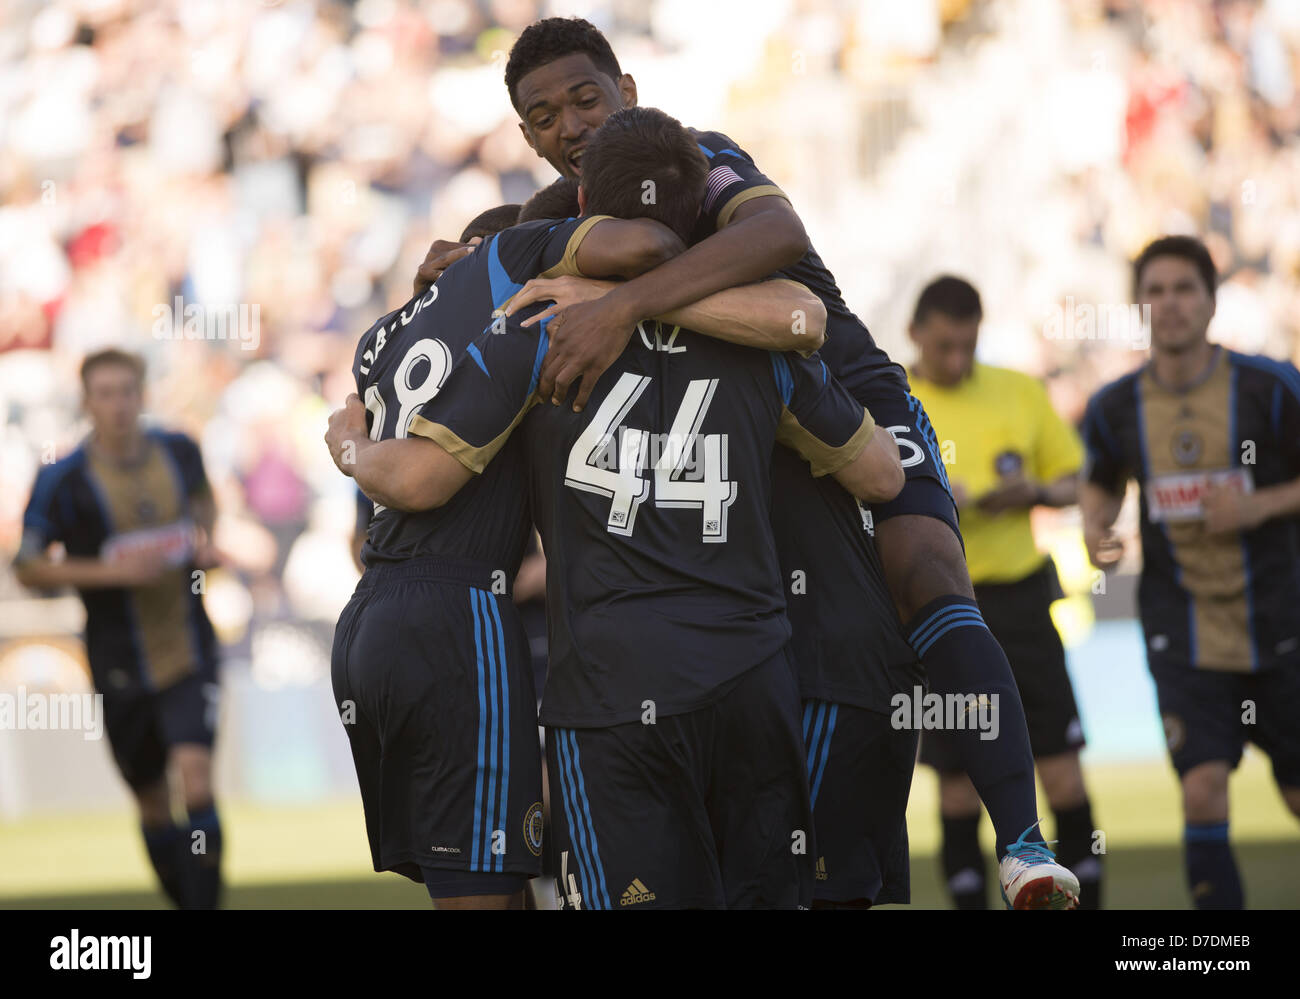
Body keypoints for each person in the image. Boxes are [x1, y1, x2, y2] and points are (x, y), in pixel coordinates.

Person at [413, 16, 1077, 908]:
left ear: (628, 93)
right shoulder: (551, 224)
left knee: (923, 567)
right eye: (543, 115)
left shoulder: (697, 154)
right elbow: (483, 288)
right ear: (526, 136)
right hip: (740, 444)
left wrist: (620, 306)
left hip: (838, 380)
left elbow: (777, 244)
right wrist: (451, 282)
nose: (569, 124)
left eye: (585, 97)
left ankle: (1024, 845)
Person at [328, 106, 905, 908]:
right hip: (751, 679)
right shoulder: (763, 343)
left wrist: (353, 439)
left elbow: (425, 477)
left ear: (585, 208)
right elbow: (881, 474)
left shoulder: (538, 331)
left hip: (610, 696)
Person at [1081, 235, 1300, 909]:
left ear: (1211, 300)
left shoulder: (1270, 387)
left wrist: (1258, 504)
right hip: (1181, 627)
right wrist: (1097, 528)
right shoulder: (1114, 406)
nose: (1170, 304)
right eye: (1156, 290)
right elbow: (1102, 480)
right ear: (1138, 305)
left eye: (1184, 289)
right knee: (1202, 784)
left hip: (1280, 621)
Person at [909, 276, 1101, 909]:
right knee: (958, 782)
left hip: (1021, 600)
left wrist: (1036, 493)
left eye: (968, 345)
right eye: (945, 347)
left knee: (1061, 770)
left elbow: (1077, 480)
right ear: (916, 336)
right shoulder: (891, 395)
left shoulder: (1019, 391)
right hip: (937, 606)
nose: (958, 360)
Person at [15, 348, 224, 909]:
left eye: (126, 391)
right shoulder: (64, 479)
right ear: (87, 402)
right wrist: (111, 571)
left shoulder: (179, 450)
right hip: (119, 660)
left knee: (196, 779)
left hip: (188, 644)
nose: (118, 404)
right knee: (153, 801)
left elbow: (205, 504)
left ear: (142, 395)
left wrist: (204, 542)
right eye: (104, 393)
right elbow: (28, 566)